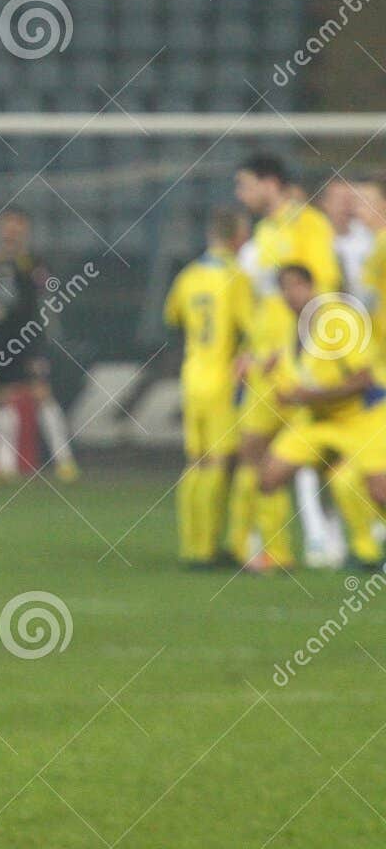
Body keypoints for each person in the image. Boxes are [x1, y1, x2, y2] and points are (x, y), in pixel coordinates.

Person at [231, 155, 343, 569]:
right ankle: (269, 548)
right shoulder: (263, 231)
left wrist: (301, 346)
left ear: (270, 182)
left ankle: (333, 540)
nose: (240, 194)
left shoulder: (307, 224)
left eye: (245, 184)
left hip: (297, 359)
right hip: (264, 361)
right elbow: (263, 300)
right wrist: (249, 348)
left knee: (324, 453)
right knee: (255, 454)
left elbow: (323, 289)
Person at [256, 265, 386, 572]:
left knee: (379, 490)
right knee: (269, 477)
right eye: (284, 288)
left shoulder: (339, 320)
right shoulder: (290, 327)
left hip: (361, 417)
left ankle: (366, 553)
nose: (290, 294)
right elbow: (294, 379)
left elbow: (363, 380)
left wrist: (307, 396)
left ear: (312, 286)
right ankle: (276, 556)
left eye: (296, 285)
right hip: (316, 421)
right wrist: (269, 375)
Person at [0, 207, 80, 485]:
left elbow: (48, 292)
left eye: (17, 226)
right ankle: (5, 467)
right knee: (0, 399)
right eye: (7, 225)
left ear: (25, 230)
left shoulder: (34, 262)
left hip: (29, 336)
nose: (12, 231)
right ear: (0, 229)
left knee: (41, 393)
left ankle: (65, 463)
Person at [162, 207, 251, 567]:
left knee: (194, 462)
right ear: (236, 237)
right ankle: (207, 548)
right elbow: (251, 327)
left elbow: (173, 318)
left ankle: (190, 545)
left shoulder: (188, 275)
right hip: (221, 379)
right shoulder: (235, 276)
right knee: (217, 463)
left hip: (192, 374)